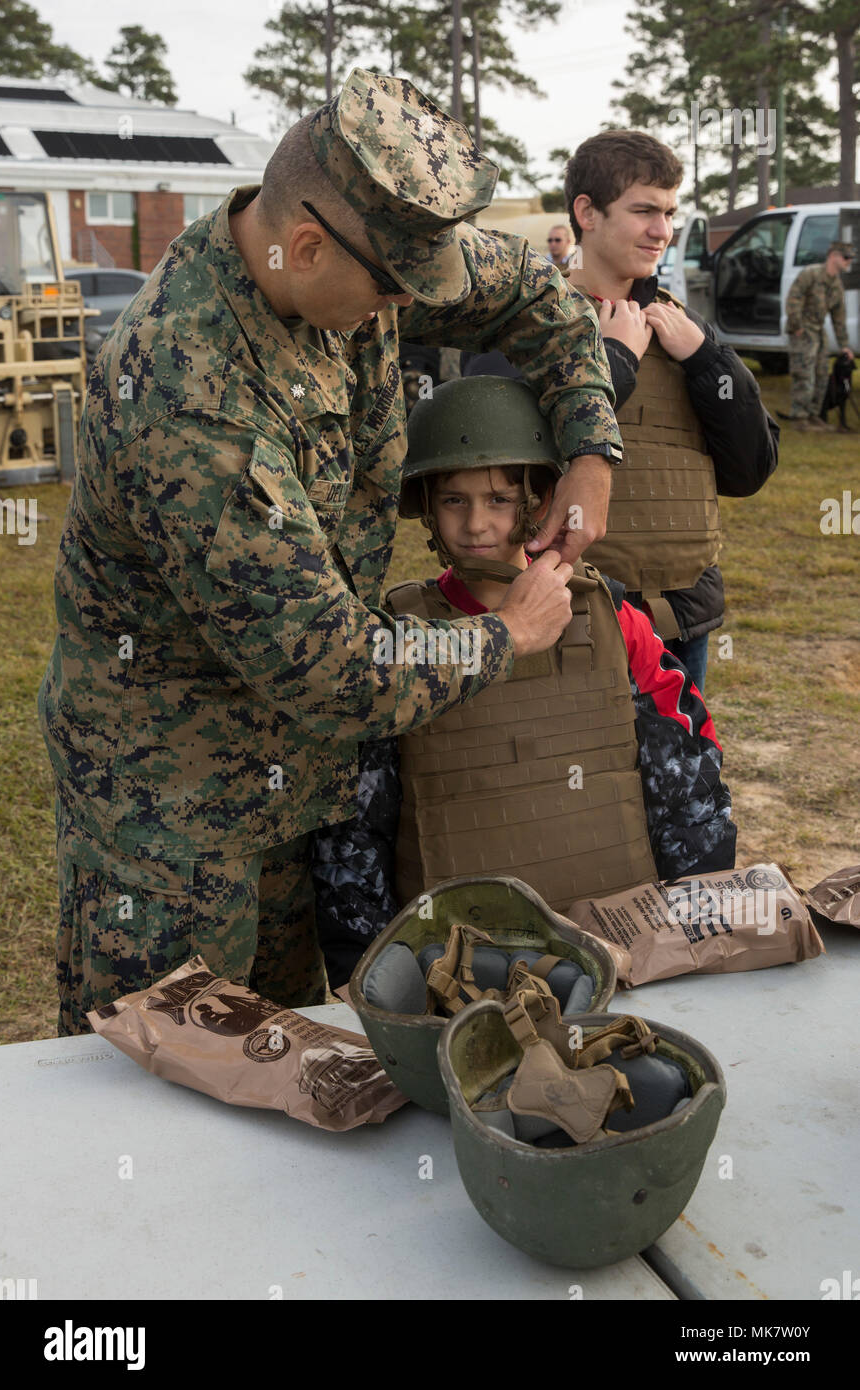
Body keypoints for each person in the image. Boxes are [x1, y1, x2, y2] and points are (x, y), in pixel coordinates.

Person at [38, 69, 624, 1036]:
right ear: (306, 245)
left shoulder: (348, 258)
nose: (404, 307)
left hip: (289, 779)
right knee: (158, 1088)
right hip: (169, 813)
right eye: (392, 290)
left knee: (282, 1051)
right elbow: (337, 671)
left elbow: (539, 299)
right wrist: (504, 636)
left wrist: (592, 453)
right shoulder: (186, 394)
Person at [312, 376, 735, 969]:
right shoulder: (400, 638)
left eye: (499, 500)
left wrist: (692, 924)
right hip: (457, 971)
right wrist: (368, 965)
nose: (477, 524)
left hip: (619, 956)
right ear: (427, 508)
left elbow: (689, 774)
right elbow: (356, 827)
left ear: (538, 500)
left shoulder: (612, 620)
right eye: (454, 500)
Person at [464, 130, 779, 693]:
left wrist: (710, 360)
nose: (663, 230)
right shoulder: (529, 324)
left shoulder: (683, 329)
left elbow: (750, 469)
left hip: (681, 615)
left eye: (669, 212)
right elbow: (488, 459)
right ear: (587, 211)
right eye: (643, 211)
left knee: (680, 778)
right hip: (568, 612)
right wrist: (613, 362)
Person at [786, 240, 855, 431]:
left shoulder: (836, 284)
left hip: (818, 331)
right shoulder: (811, 274)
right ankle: (799, 418)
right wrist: (796, 326)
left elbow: (838, 317)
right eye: (846, 257)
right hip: (803, 330)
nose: (849, 261)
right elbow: (794, 298)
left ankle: (814, 415)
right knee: (804, 373)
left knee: (821, 374)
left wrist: (844, 345)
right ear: (833, 256)